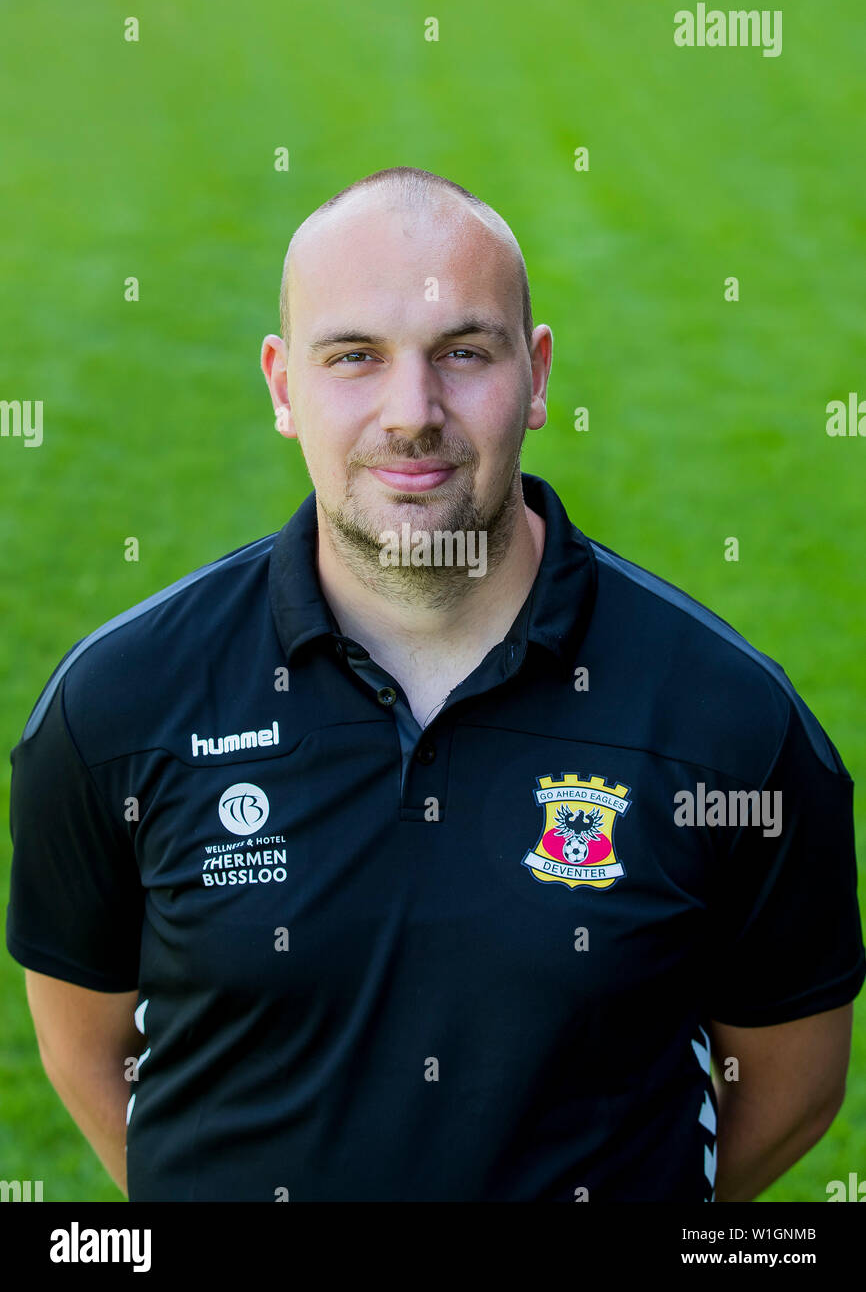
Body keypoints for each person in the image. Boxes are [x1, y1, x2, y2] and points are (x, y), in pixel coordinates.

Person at [7, 166, 865, 1203]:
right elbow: (84, 1046)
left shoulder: (729, 725)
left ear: (535, 375)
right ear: (283, 386)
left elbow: (793, 1077)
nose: (410, 414)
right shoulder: (117, 707)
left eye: (462, 352)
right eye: (354, 358)